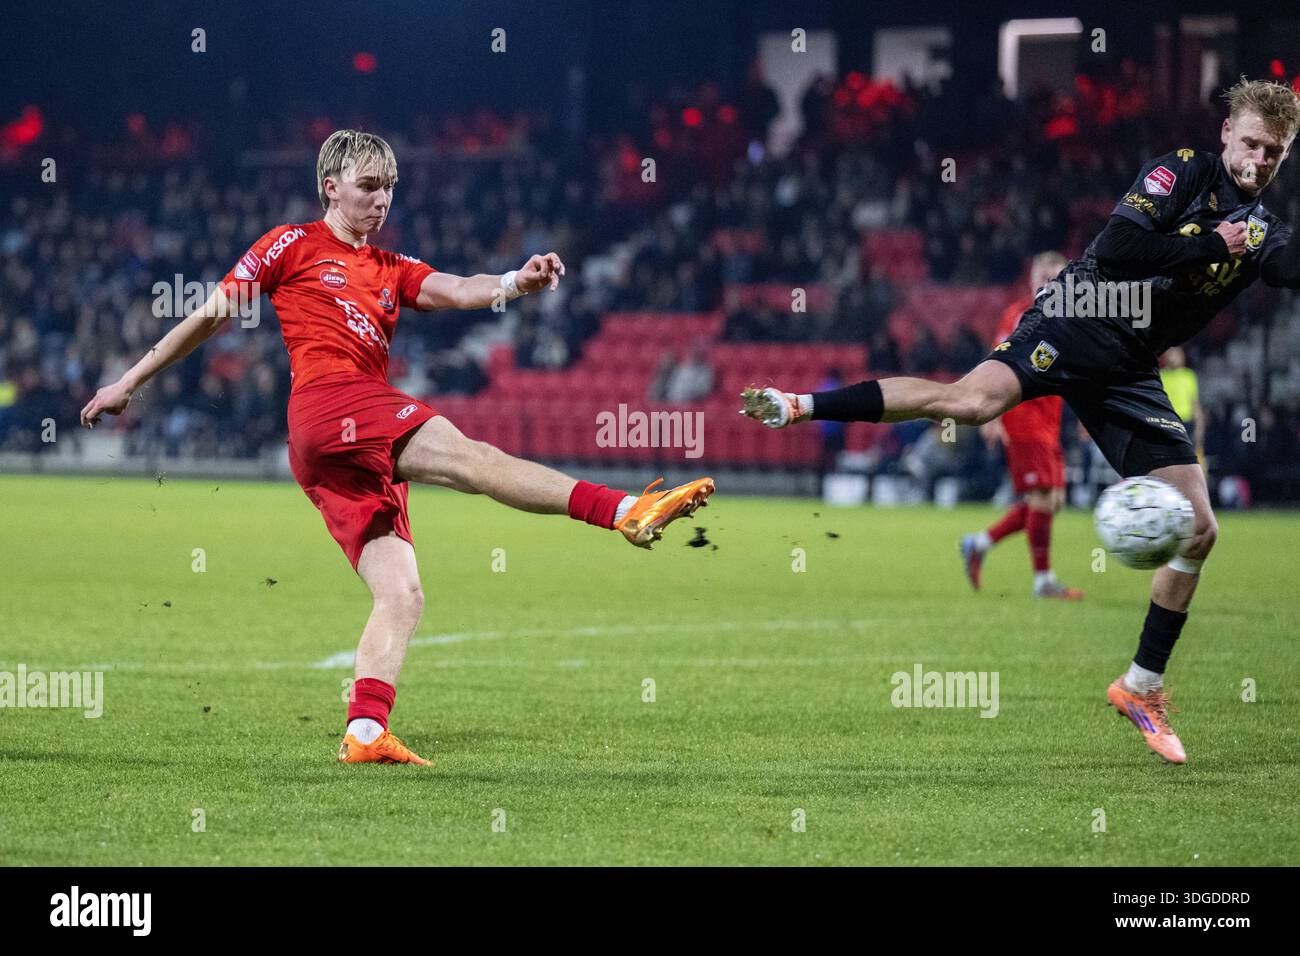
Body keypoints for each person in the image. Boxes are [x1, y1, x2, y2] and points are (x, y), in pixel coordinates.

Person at [81, 130, 714, 767]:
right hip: (334, 404)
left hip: (331, 449)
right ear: (330, 187)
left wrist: (516, 283)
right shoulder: (290, 244)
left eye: (388, 188)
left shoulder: (390, 269)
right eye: (367, 186)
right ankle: (625, 509)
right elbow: (211, 315)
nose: (381, 200)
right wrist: (128, 382)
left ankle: (364, 733)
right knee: (476, 461)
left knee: (402, 593)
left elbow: (458, 288)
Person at [741, 78, 1300, 764]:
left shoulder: (1267, 228)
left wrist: (1251, 248)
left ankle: (1140, 686)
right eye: (1249, 143)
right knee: (970, 402)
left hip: (1128, 367)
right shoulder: (1182, 169)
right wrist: (1212, 247)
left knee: (1200, 526)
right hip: (1078, 315)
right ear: (1226, 136)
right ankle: (804, 405)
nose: (1258, 159)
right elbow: (1120, 246)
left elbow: (1283, 262)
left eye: (1273, 151)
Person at [960, 251, 1084, 600]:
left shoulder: (1070, 315)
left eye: (1055, 277)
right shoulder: (1018, 316)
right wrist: (993, 415)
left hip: (1051, 417)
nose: (1048, 283)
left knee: (1053, 499)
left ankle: (979, 543)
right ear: (1031, 281)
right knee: (1043, 497)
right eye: (1042, 277)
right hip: (1023, 415)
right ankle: (1043, 581)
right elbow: (996, 364)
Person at [1159, 346, 1205, 464]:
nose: (1175, 357)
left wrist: (1199, 428)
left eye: (1178, 354)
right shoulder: (1161, 376)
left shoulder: (1189, 376)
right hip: (1168, 423)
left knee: (1189, 460)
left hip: (1187, 424)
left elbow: (1195, 403)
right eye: (1171, 354)